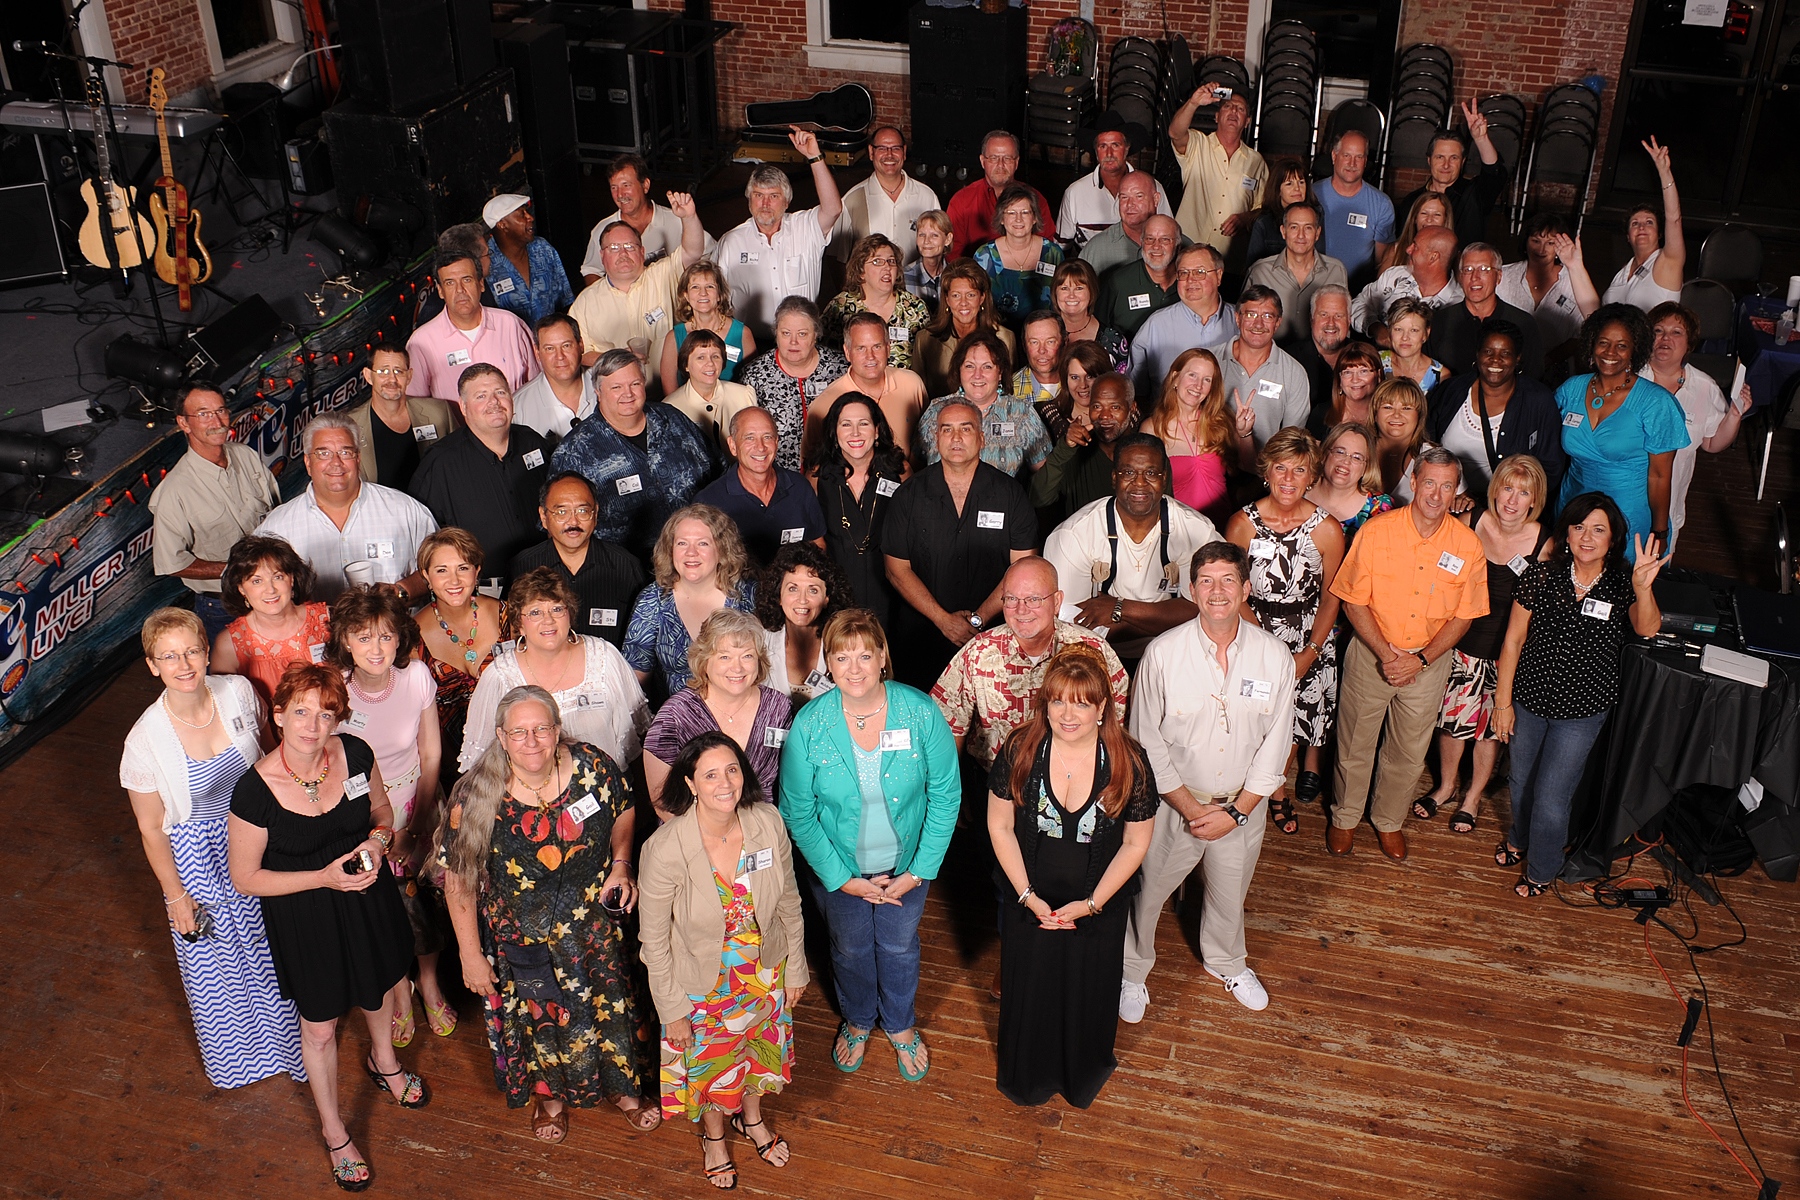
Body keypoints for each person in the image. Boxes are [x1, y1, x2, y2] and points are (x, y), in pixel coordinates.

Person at [227, 662, 420, 1191]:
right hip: (305, 912)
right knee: (319, 1026)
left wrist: (376, 847)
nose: (313, 725)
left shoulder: (355, 753)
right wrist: (323, 878)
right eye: (302, 712)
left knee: (380, 984)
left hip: (365, 894)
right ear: (279, 714)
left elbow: (383, 816)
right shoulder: (254, 792)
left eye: (326, 713)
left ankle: (385, 1062)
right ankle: (336, 1132)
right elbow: (244, 878)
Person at [439, 685, 659, 1143]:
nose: (532, 740)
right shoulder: (475, 795)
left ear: (558, 729)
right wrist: (470, 955)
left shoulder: (594, 766)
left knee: (612, 1011)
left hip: (597, 929)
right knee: (541, 1019)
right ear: (500, 736)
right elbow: (459, 881)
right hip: (522, 937)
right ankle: (550, 1098)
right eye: (519, 732)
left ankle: (623, 1090)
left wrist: (621, 864)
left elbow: (624, 809)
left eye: (542, 728)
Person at [120, 608, 303, 1089]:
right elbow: (151, 829)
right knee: (219, 967)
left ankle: (295, 1050)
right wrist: (177, 897)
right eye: (169, 656)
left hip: (256, 834)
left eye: (192, 652)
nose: (184, 664)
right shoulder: (144, 740)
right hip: (197, 859)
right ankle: (240, 1064)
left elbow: (268, 756)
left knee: (274, 945)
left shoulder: (237, 691)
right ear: (152, 665)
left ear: (206, 652)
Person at [778, 608, 960, 1081]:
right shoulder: (810, 725)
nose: (854, 668)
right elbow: (797, 809)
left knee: (899, 946)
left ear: (883, 657)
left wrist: (918, 872)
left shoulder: (920, 712)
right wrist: (841, 879)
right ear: (828, 662)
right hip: (838, 870)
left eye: (864, 655)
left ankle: (900, 1025)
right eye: (842, 657)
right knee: (851, 948)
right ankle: (858, 1019)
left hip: (909, 865)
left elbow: (946, 795)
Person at [1120, 541, 1297, 1021]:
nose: (1217, 591)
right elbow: (1145, 743)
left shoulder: (1275, 656)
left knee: (1229, 893)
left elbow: (1276, 744)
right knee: (1146, 892)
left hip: (1243, 808)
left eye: (1228, 580)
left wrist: (1237, 811)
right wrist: (1193, 809)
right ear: (1192, 589)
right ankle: (1132, 972)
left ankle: (1227, 962)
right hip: (1172, 805)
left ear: (1245, 588)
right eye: (1206, 580)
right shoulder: (1162, 654)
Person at [987, 644, 1156, 1106]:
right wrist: (1026, 896)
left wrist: (1092, 904)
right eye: (1059, 700)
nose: (1068, 713)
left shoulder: (1130, 762)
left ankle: (1078, 1072)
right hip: (1031, 894)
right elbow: (999, 825)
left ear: (1103, 707)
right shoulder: (1020, 748)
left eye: (1082, 703)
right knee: (1032, 987)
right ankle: (1028, 1074)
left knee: (1086, 990)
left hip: (1098, 900)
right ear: (1045, 702)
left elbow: (1135, 844)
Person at [640, 731, 808, 1188]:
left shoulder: (766, 822)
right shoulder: (664, 848)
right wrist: (671, 1009)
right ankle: (714, 1138)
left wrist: (795, 966)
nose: (725, 782)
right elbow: (653, 941)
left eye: (732, 769)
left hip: (764, 971)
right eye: (710, 774)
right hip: (703, 984)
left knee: (758, 1056)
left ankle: (751, 1120)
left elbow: (790, 899)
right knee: (716, 1068)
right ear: (691, 784)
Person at [1493, 495, 1668, 895]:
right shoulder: (1540, 576)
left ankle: (1541, 868)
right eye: (1579, 527)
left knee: (1552, 797)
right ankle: (1519, 838)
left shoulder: (1623, 582)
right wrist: (1503, 702)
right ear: (1567, 533)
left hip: (1582, 711)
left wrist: (1643, 589)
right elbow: (1514, 640)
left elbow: (1647, 629)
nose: (1587, 537)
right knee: (1520, 782)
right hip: (1529, 699)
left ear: (1613, 539)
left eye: (1598, 529)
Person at [1327, 448, 1488, 860]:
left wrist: (1420, 659)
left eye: (1447, 485)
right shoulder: (1377, 531)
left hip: (1428, 663)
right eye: (1429, 482)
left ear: (1457, 491)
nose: (1436, 494)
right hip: (1370, 654)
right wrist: (1385, 653)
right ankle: (1344, 818)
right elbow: (1352, 601)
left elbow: (1464, 616)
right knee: (1353, 745)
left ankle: (1389, 821)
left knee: (1410, 752)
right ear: (1414, 482)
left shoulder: (1468, 545)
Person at [326, 587, 451, 1046]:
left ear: (400, 639)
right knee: (381, 904)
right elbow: (330, 765)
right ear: (346, 641)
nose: (375, 649)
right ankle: (400, 990)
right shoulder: (333, 686)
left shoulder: (416, 676)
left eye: (385, 637)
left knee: (425, 900)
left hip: (417, 800)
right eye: (363, 637)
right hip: (361, 811)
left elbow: (431, 751)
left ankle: (430, 982)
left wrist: (414, 827)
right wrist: (380, 832)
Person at [1412, 454, 1551, 834]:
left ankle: (1472, 797)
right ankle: (1445, 786)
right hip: (1458, 640)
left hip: (1506, 652)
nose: (1512, 500)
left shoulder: (1544, 543)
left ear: (1534, 500)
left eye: (1523, 492)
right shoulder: (1468, 522)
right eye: (1507, 488)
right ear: (1494, 490)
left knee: (1490, 730)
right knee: (1451, 723)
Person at [1224, 429, 1345, 837]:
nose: (1289, 479)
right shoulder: (1243, 524)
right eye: (1281, 468)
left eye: (1300, 469)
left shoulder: (1327, 529)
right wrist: (1266, 646)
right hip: (1252, 632)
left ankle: (1275, 792)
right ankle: (1243, 788)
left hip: (1309, 638)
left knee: (1294, 723)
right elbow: (1231, 590)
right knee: (1252, 716)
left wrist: (1309, 652)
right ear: (1266, 471)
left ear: (1312, 476)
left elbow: (1332, 598)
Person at [884, 401, 1039, 688]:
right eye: (947, 430)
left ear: (982, 438)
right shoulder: (908, 495)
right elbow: (896, 570)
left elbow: (1023, 570)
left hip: (992, 640)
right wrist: (943, 620)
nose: (956, 438)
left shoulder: (1011, 495)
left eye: (965, 429)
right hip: (921, 640)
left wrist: (978, 620)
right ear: (936, 438)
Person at [933, 555, 1129, 773]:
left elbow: (1117, 727)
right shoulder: (977, 652)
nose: (1021, 609)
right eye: (1011, 599)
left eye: (1034, 599)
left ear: (1057, 602)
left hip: (1075, 780)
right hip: (993, 779)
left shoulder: (1095, 651)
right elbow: (947, 729)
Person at [1044, 433, 1219, 665]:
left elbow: (1207, 609)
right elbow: (1072, 626)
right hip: (1096, 657)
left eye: (1150, 473)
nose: (1139, 482)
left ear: (1164, 478)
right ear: (1114, 478)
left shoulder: (1196, 530)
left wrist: (1118, 608)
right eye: (1128, 472)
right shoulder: (1074, 534)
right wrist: (1169, 615)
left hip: (1177, 654)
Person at [460, 567, 650, 773]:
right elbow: (480, 763)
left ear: (570, 614)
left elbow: (643, 733)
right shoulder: (498, 676)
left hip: (605, 792)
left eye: (557, 609)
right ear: (519, 625)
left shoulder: (604, 656)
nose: (548, 620)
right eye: (535, 612)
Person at [548, 349, 719, 563]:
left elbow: (719, 473)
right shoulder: (574, 451)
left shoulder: (674, 419)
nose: (628, 394)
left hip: (700, 558)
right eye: (616, 387)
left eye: (635, 384)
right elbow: (558, 526)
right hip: (628, 570)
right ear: (598, 392)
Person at [254, 414, 437, 603]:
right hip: (317, 632)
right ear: (308, 463)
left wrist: (401, 591)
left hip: (393, 630)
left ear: (358, 459)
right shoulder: (277, 526)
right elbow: (243, 580)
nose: (336, 463)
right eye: (323, 453)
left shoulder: (405, 510)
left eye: (345, 452)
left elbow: (439, 568)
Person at [1555, 304, 1690, 559]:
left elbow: (1660, 476)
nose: (1610, 353)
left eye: (1622, 345)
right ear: (1591, 345)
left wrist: (1659, 532)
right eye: (1603, 343)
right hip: (1573, 508)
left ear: (1634, 351)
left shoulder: (1656, 403)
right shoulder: (1571, 389)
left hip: (1628, 517)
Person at [150, 382, 282, 642]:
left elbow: (278, 513)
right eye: (203, 414)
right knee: (236, 677)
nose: (217, 421)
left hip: (274, 591)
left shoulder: (246, 456)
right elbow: (173, 563)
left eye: (221, 410)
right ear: (184, 423)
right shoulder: (173, 492)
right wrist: (238, 570)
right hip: (224, 606)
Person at [644, 609, 795, 815]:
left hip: (763, 834)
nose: (738, 668)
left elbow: (795, 784)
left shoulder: (778, 708)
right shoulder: (674, 717)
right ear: (704, 660)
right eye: (725, 657)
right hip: (694, 837)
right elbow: (664, 804)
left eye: (747, 656)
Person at [408, 364, 551, 581]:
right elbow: (422, 538)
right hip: (482, 591)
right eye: (481, 396)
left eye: (500, 393)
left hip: (545, 577)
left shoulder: (533, 442)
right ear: (463, 408)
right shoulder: (439, 463)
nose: (493, 402)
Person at [717, 129, 845, 341]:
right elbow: (716, 297)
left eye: (774, 196)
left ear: (786, 202)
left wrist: (814, 156)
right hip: (751, 343)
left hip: (803, 341)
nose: (765, 204)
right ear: (749, 201)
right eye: (758, 195)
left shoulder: (805, 227)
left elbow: (833, 209)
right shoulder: (731, 241)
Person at [1642, 301, 1750, 551]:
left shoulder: (1704, 387)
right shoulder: (1629, 378)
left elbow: (1712, 443)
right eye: (1658, 330)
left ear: (1689, 344)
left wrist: (1734, 414)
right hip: (1621, 500)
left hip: (1667, 509)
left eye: (1676, 332)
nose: (1665, 338)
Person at [1426, 316, 1568, 502]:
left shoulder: (1538, 400)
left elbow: (1550, 468)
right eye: (1488, 351)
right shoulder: (1451, 391)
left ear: (1517, 358)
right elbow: (1427, 445)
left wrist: (1502, 507)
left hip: (1507, 511)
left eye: (1505, 353)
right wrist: (1458, 494)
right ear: (1477, 354)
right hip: (1447, 502)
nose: (1495, 360)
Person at [624, 505, 758, 696]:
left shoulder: (749, 595)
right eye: (682, 543)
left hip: (741, 714)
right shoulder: (652, 601)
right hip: (675, 720)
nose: (691, 552)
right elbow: (634, 681)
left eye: (702, 543)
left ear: (722, 549)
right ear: (670, 550)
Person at [509, 471, 650, 649]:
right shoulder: (522, 566)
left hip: (609, 673)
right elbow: (514, 633)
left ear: (596, 514)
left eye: (582, 511)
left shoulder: (627, 566)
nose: (573, 521)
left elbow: (642, 640)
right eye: (561, 512)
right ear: (544, 517)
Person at [569, 191, 706, 366]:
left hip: (670, 387)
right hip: (618, 391)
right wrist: (614, 359)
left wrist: (689, 217)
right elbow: (577, 353)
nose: (623, 253)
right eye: (614, 248)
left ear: (642, 252)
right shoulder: (585, 303)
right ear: (602, 256)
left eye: (629, 246)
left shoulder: (663, 274)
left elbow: (692, 252)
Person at [415, 528, 508, 778]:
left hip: (514, 750)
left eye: (463, 568)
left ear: (477, 571)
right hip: (452, 765)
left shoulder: (507, 615)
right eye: (441, 570)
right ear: (426, 576)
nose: (454, 581)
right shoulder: (412, 636)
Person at [809, 392, 906, 624]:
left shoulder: (900, 471)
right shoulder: (817, 477)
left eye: (863, 423)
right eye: (846, 425)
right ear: (835, 433)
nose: (855, 433)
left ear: (876, 430)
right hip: (836, 598)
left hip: (892, 596)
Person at [695, 407, 828, 565]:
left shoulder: (800, 487)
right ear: (732, 445)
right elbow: (700, 562)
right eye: (749, 438)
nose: (760, 447)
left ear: (777, 442)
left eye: (767, 437)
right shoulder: (707, 502)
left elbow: (817, 543)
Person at [211, 535, 329, 711]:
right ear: (242, 589)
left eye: (278, 577)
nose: (270, 589)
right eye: (256, 581)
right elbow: (225, 709)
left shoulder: (327, 620)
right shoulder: (229, 644)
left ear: (292, 579)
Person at [406, 249, 538, 404]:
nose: (460, 290)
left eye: (466, 280)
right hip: (458, 428)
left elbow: (537, 383)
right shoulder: (421, 342)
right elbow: (417, 406)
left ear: (481, 284)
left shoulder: (511, 325)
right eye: (450, 283)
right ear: (440, 291)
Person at [917, 332, 1053, 479]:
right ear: (959, 370)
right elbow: (915, 468)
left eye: (987, 367)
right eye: (970, 366)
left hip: (1004, 501)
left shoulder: (1022, 413)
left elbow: (1045, 476)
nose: (977, 375)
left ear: (1000, 372)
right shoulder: (936, 411)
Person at [740, 296, 850, 472]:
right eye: (785, 333)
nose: (793, 342)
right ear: (776, 333)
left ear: (816, 334)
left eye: (802, 334)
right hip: (779, 478)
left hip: (834, 473)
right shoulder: (755, 375)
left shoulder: (841, 369)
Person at [808, 311, 929, 466]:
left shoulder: (912, 385)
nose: (870, 356)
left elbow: (926, 445)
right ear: (847, 352)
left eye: (877, 346)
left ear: (888, 348)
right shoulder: (824, 405)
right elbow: (812, 465)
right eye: (861, 348)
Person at [1167, 86, 1267, 273]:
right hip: (1188, 251)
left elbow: (1264, 207)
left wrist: (1245, 217)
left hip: (1229, 261)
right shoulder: (1198, 145)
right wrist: (1194, 102)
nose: (1234, 111)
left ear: (1247, 121)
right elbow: (1175, 133)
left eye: (1240, 108)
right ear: (1217, 116)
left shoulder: (1256, 162)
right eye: (1228, 106)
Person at [1139, 348, 1240, 523]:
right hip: (1176, 532)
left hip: (1220, 532)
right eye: (1192, 375)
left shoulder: (1222, 423)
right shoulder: (1152, 429)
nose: (1198, 385)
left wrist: (1244, 433)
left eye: (1207, 380)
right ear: (1175, 378)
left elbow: (1243, 472)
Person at [581, 152, 714, 283]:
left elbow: (709, 253)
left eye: (626, 185)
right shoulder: (603, 230)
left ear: (645, 185)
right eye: (614, 187)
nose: (620, 194)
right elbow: (591, 271)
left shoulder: (677, 220)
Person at [1128, 244, 1239, 399]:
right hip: (1167, 421)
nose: (1190, 279)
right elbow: (1135, 392)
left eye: (1199, 272)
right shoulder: (1156, 325)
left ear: (1219, 276)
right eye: (1183, 272)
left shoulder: (1242, 323)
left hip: (1228, 421)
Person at [1427, 243, 1546, 380]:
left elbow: (1534, 379)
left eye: (1484, 269)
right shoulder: (1440, 321)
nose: (1474, 277)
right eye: (1468, 269)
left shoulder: (1523, 323)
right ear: (1460, 277)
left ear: (1499, 276)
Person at [1057, 113, 1174, 251]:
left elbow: (1169, 236)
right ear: (1096, 151)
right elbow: (1061, 248)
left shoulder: (1153, 188)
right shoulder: (1075, 193)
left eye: (1115, 145)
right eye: (1103, 146)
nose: (1109, 153)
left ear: (1127, 148)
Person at [1497, 216, 1601, 369]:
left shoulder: (1574, 281)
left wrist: (1548, 360)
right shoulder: (1504, 275)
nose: (1541, 249)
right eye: (1536, 241)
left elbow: (1585, 331)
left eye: (1550, 243)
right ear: (1525, 243)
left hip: (1555, 368)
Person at [1029, 372, 1140, 516]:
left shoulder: (1148, 453)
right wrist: (1065, 449)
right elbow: (1038, 498)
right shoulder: (1075, 449)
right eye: (1097, 406)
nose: (1105, 416)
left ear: (1132, 408)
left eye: (1115, 407)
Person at [1219, 284, 1311, 457]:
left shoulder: (1294, 373)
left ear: (1277, 323)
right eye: (1251, 314)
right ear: (1237, 318)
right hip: (1210, 469)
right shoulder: (1210, 361)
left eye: (1267, 316)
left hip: (1265, 475)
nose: (1258, 324)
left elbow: (1291, 441)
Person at [347, 346, 455, 491]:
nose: (392, 379)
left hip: (437, 508)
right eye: (383, 371)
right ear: (368, 376)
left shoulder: (438, 412)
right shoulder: (350, 426)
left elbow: (462, 460)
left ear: (409, 376)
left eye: (399, 371)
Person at [1393, 106, 1507, 244]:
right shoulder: (1412, 201)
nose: (1446, 165)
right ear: (1429, 160)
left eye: (1454, 158)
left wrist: (1481, 139)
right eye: (1440, 157)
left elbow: (1494, 175)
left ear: (1463, 161)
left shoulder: (1475, 194)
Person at [1245, 200, 1349, 345]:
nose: (1301, 235)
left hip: (1318, 360)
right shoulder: (1260, 271)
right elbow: (1244, 322)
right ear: (1283, 231)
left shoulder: (1336, 270)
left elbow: (1343, 322)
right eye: (1294, 227)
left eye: (1308, 228)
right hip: (1272, 358)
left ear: (1317, 233)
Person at [757, 543, 850, 704]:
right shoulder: (758, 643)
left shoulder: (846, 644)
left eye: (813, 590)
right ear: (778, 595)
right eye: (793, 588)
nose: (802, 600)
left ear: (827, 598)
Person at [832, 124, 940, 263]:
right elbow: (837, 258)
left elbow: (939, 249)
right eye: (882, 148)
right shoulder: (852, 200)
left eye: (895, 148)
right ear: (871, 152)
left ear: (904, 152)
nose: (889, 155)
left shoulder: (926, 197)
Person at [821, 234, 931, 367]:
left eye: (891, 261)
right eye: (877, 261)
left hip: (905, 385)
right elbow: (824, 356)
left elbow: (928, 360)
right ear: (861, 270)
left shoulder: (915, 308)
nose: (887, 267)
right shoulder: (840, 307)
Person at [1601, 137, 1685, 312]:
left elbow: (1674, 218)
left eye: (1649, 222)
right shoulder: (1624, 272)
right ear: (1628, 236)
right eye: (1635, 223)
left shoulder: (1668, 261)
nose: (1641, 227)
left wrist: (1664, 172)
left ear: (1660, 233)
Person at [914, 260, 1020, 398]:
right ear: (947, 299)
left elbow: (1009, 392)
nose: (963, 303)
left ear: (982, 297)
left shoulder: (1005, 338)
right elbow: (918, 396)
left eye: (971, 295)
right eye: (956, 295)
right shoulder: (925, 340)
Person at [946, 130, 1055, 255]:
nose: (1000, 165)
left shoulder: (1037, 199)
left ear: (1016, 162)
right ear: (983, 161)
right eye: (994, 158)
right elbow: (953, 253)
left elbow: (1047, 249)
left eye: (1007, 158)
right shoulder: (961, 201)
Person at [1310, 131, 1395, 289]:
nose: (1352, 163)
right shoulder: (1311, 195)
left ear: (1365, 161)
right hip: (1312, 287)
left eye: (1359, 157)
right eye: (1347, 155)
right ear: (1334, 157)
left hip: (1357, 293)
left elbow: (1383, 262)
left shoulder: (1381, 204)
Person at [976, 184, 1066, 332]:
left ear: (1035, 218)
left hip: (1044, 336)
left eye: (1025, 212)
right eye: (1011, 213)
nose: (1018, 219)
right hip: (997, 336)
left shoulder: (1053, 253)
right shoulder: (985, 255)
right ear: (1002, 219)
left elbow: (1062, 299)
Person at [659, 260, 755, 396]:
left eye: (709, 286)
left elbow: (753, 385)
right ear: (685, 295)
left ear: (719, 294)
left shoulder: (743, 333)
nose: (703, 293)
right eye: (695, 287)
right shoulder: (674, 337)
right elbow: (670, 395)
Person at [1351, 226, 1461, 342]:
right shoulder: (1394, 275)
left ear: (1433, 257)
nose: (1408, 250)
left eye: (1415, 246)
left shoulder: (1458, 302)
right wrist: (1376, 328)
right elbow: (1358, 303)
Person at [664, 327, 760, 455]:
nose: (710, 363)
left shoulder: (745, 395)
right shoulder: (669, 408)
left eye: (715, 356)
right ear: (686, 365)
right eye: (701, 357)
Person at [483, 193, 574, 326]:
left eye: (527, 212)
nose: (530, 217)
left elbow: (565, 302)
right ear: (502, 224)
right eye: (522, 214)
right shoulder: (486, 262)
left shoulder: (542, 249)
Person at [1076, 169, 1179, 280]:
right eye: (1124, 197)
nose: (1130, 204)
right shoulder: (1096, 250)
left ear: (1156, 199)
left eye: (1138, 196)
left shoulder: (1181, 245)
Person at [1096, 214, 1184, 339]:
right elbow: (1097, 329)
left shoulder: (1189, 283)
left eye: (1165, 239)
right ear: (1142, 242)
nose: (1156, 246)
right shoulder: (1118, 282)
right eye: (1149, 239)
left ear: (1178, 246)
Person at [1306, 420, 1393, 546]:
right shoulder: (1298, 490)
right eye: (1340, 452)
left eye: (1357, 457)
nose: (1346, 461)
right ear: (1325, 454)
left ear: (1366, 468)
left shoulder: (1379, 507)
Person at [512, 313, 596, 440]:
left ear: (581, 345)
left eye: (566, 346)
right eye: (550, 348)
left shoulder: (610, 385)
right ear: (537, 353)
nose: (560, 356)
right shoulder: (518, 408)